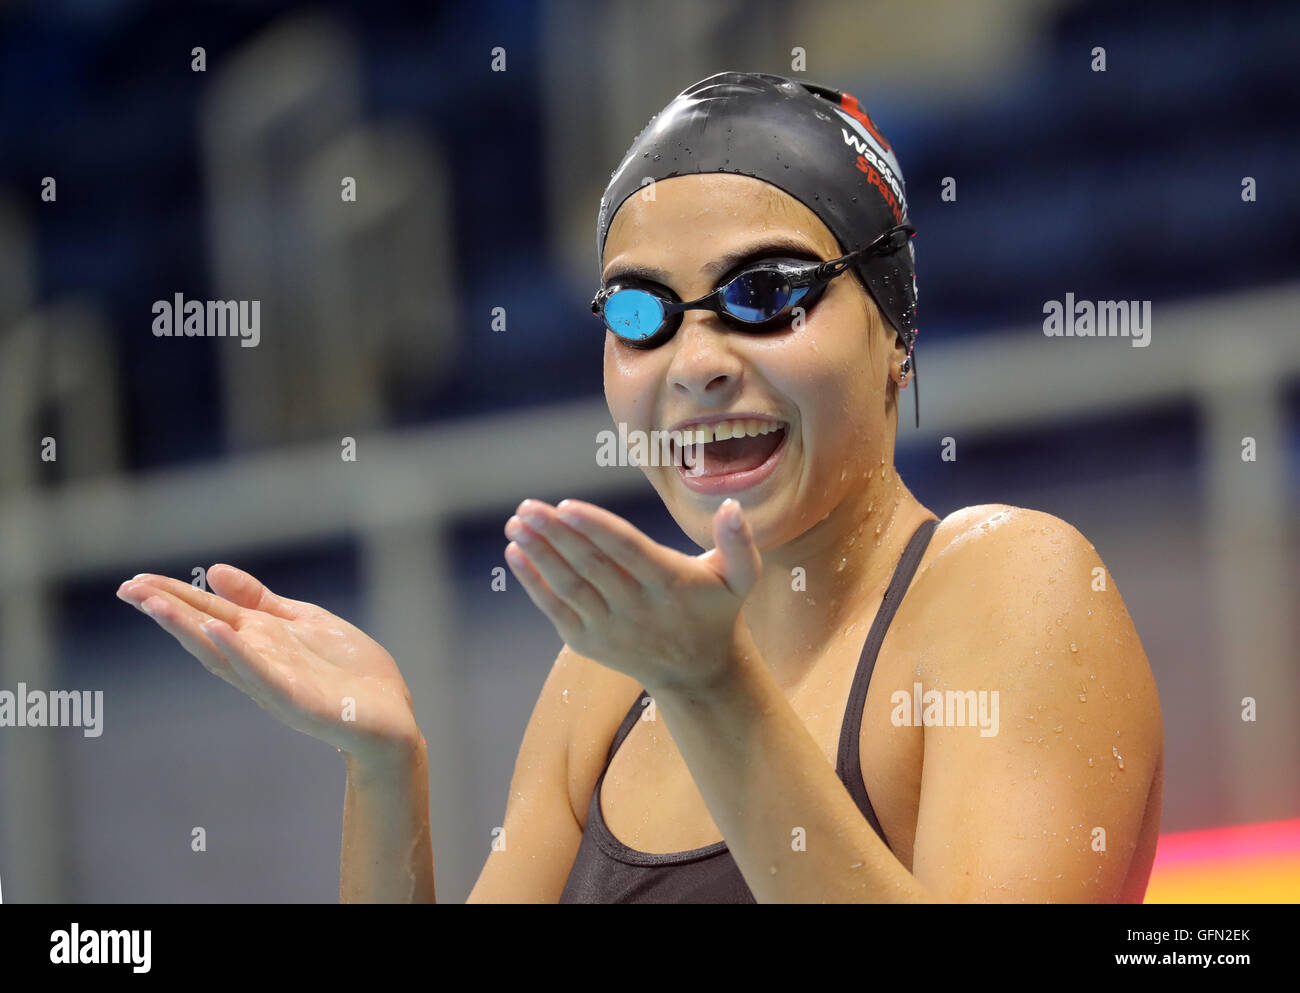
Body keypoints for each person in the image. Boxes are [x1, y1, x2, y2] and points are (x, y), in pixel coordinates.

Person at [117, 71, 1163, 903]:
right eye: (640, 312)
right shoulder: (606, 682)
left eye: (764, 293)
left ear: (896, 333)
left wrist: (713, 692)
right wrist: (384, 768)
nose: (694, 363)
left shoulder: (1012, 588)